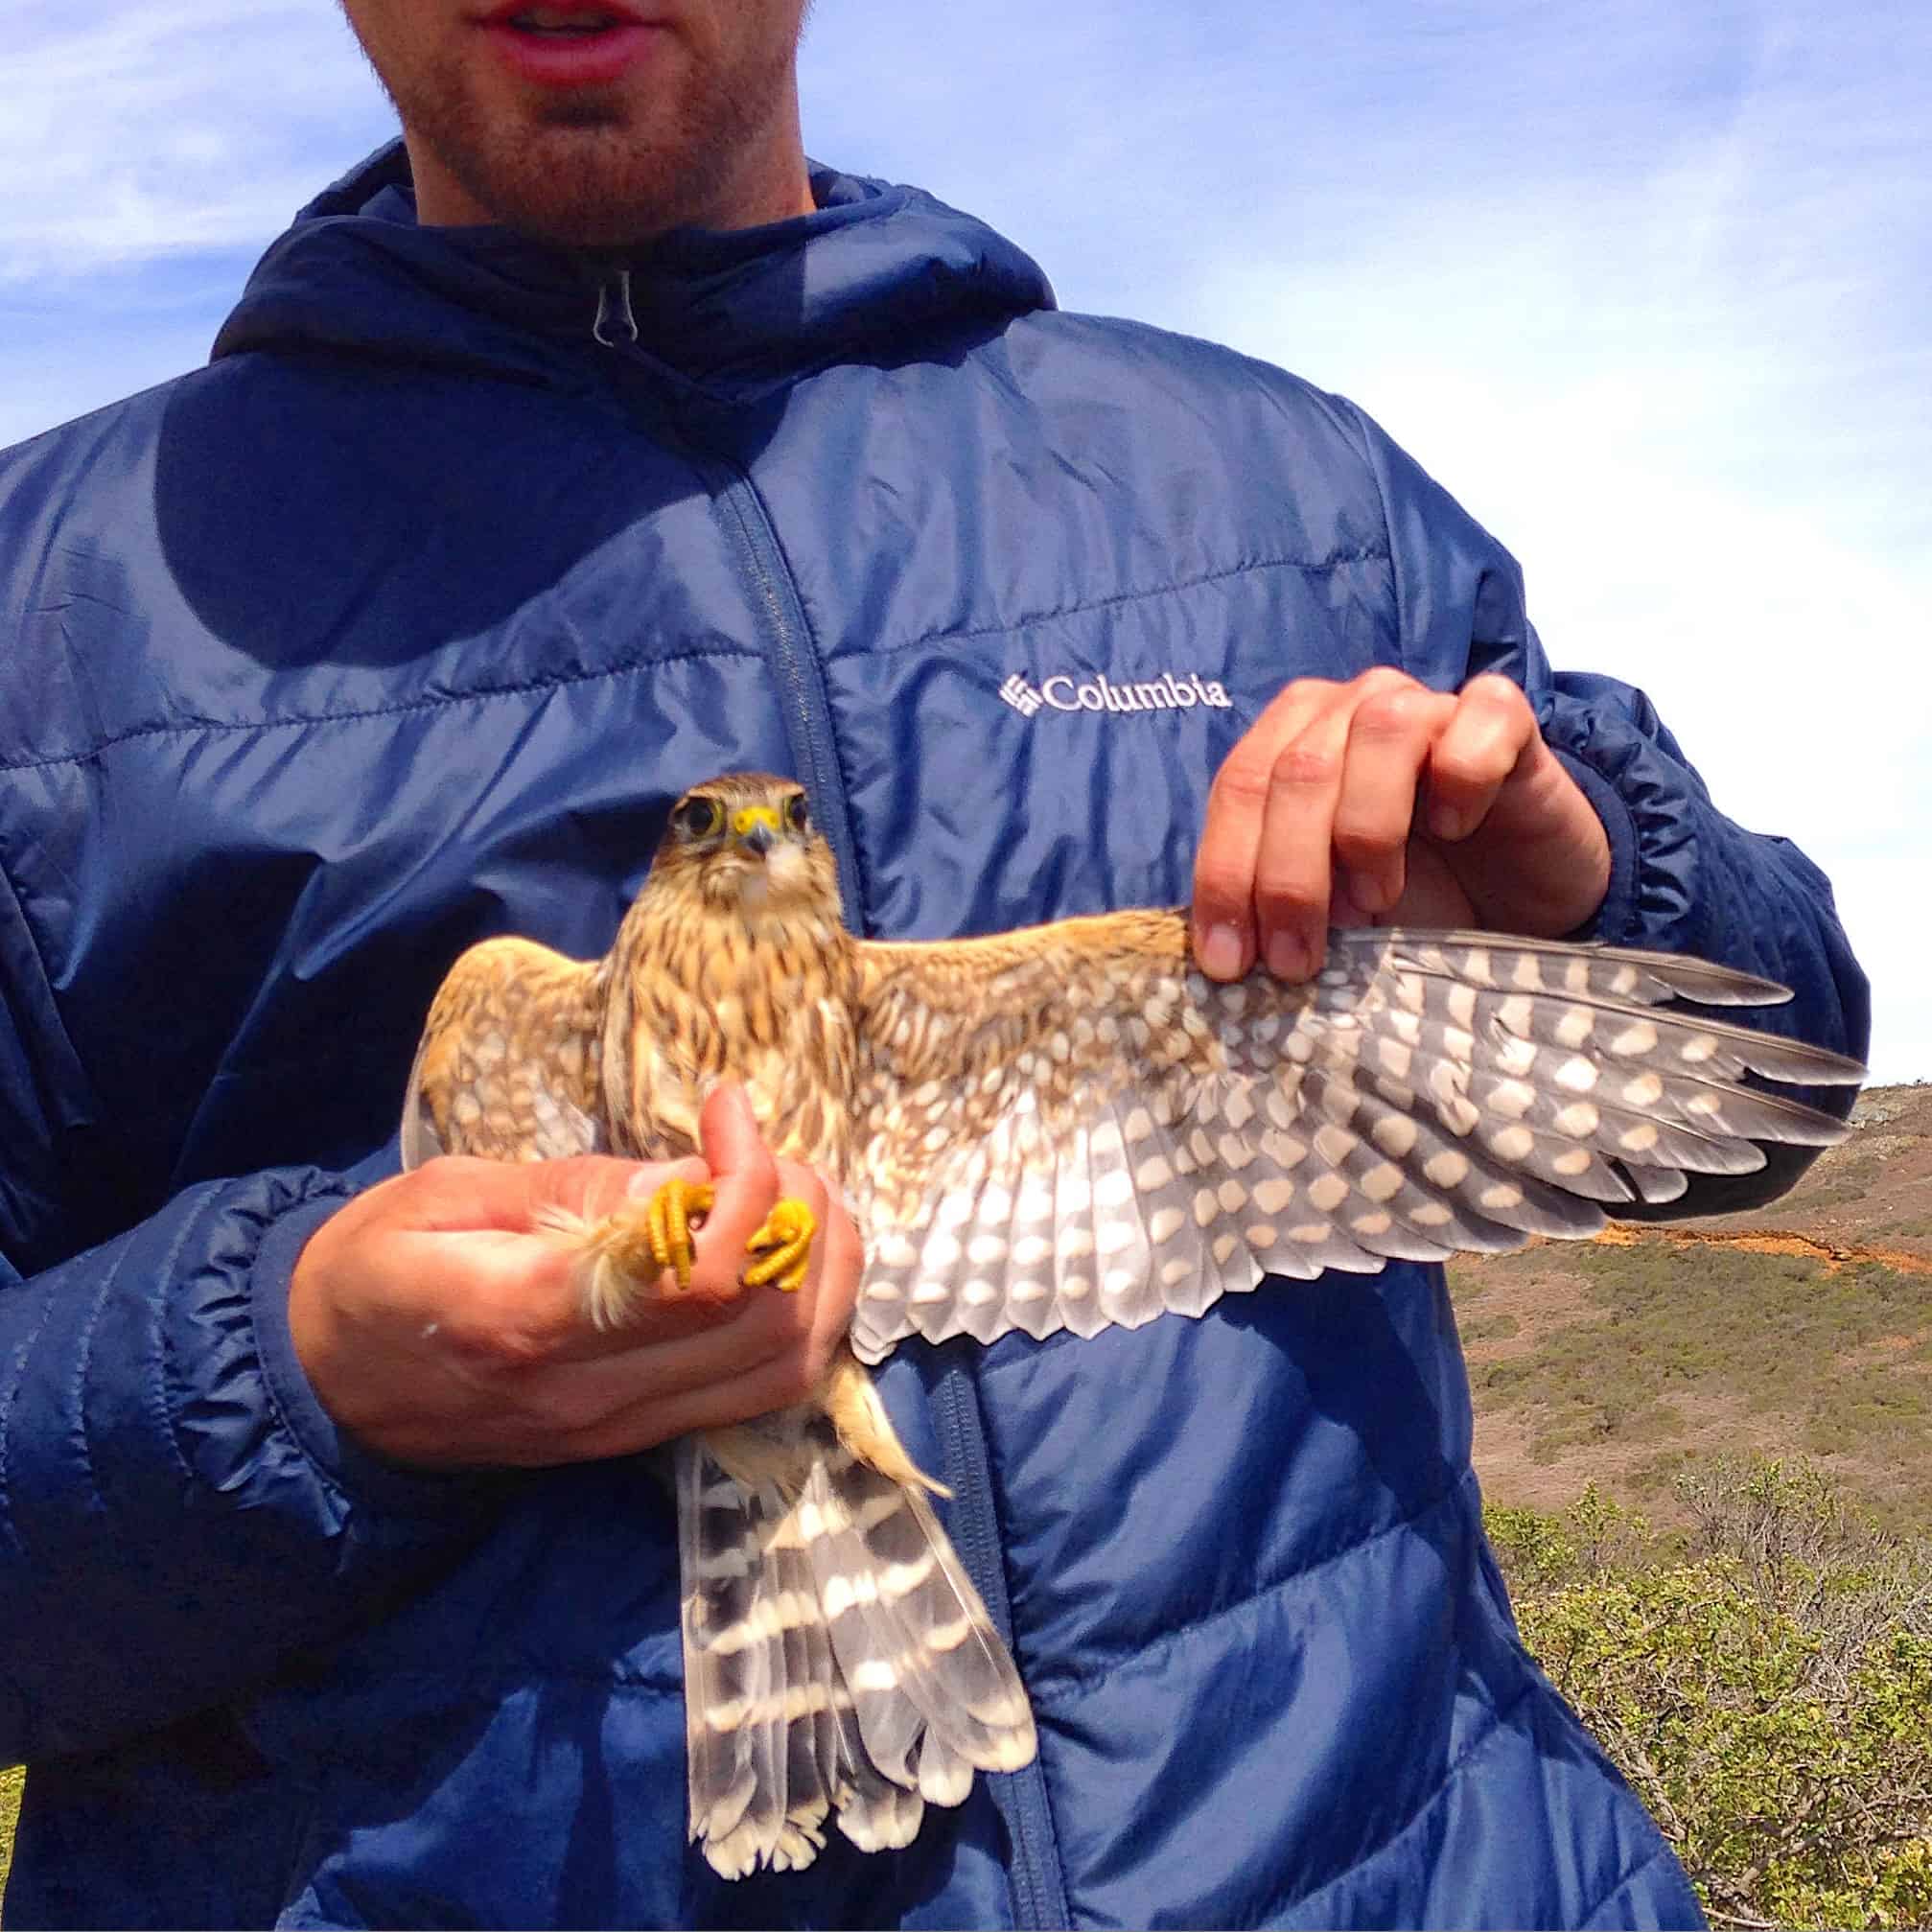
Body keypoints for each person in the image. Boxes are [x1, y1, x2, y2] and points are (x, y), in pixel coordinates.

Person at [0, 1, 1867, 1925]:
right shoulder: (42, 624)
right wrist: (282, 1378)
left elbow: (1763, 1088)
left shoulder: (1272, 485)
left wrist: (1599, 882)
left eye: (766, 841)